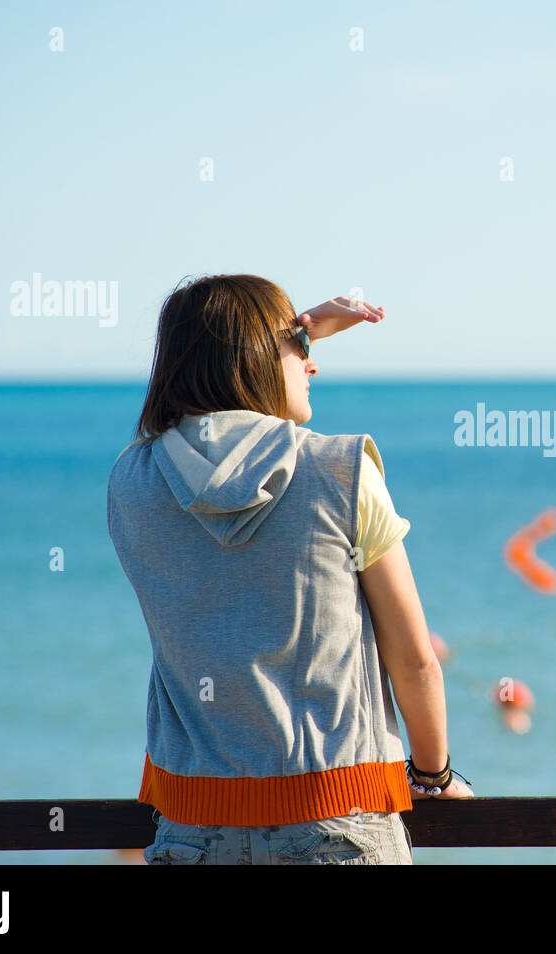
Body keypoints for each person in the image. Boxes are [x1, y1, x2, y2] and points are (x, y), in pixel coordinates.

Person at [106, 274, 472, 865]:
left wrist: (282, 335)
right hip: (338, 827)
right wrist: (432, 778)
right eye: (302, 346)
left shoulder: (131, 484)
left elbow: (210, 424)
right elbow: (414, 658)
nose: (314, 365)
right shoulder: (343, 472)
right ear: (260, 355)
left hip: (194, 830)